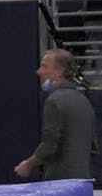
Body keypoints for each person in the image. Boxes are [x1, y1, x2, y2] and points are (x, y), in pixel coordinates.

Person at [14, 49, 96, 181]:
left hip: (60, 184)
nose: (39, 71)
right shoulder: (84, 101)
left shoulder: (54, 102)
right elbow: (93, 147)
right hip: (83, 183)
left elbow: (49, 146)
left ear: (59, 72)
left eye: (44, 66)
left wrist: (27, 165)